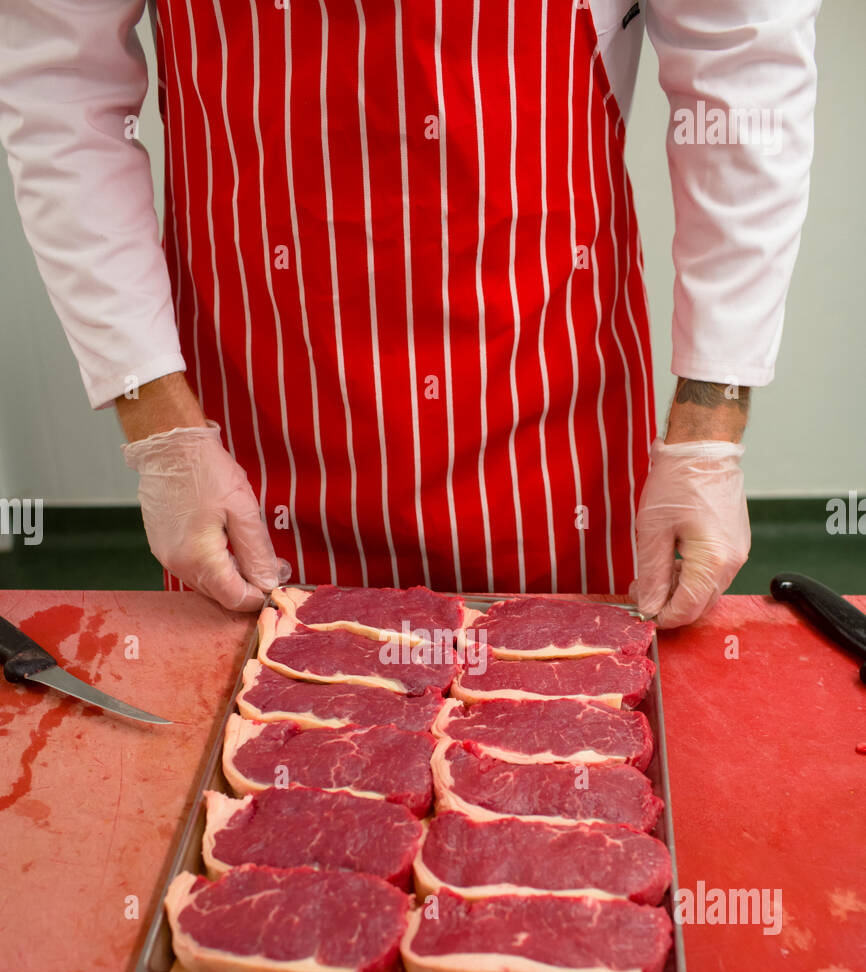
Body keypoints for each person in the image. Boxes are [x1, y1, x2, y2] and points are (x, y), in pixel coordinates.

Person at [0, 2, 819, 624]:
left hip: (546, 419)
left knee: (559, 788)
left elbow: (742, 71)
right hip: (251, 423)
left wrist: (712, 426)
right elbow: (59, 89)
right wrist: (157, 423)